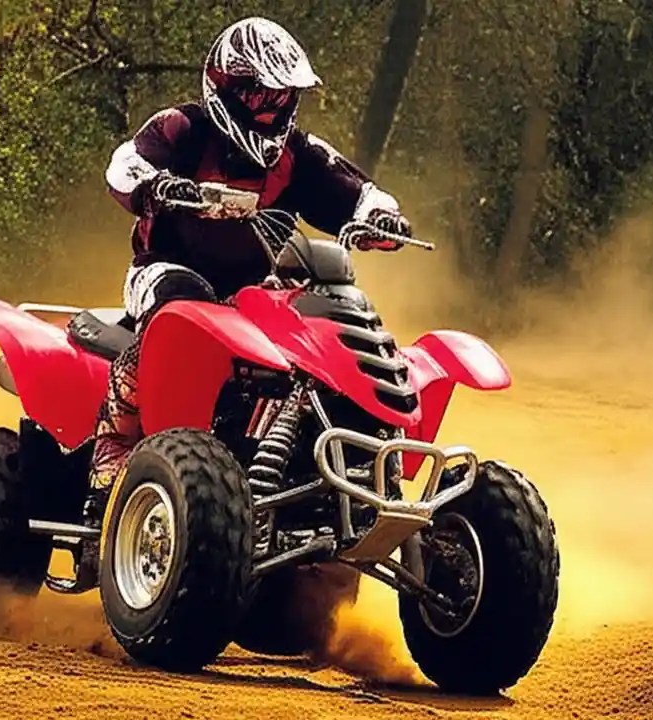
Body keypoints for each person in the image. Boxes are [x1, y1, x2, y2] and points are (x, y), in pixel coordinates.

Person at [75, 16, 412, 585]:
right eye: (257, 93)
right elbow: (123, 164)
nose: (268, 108)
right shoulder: (183, 128)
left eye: (280, 96)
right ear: (226, 86)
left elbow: (357, 190)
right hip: (166, 273)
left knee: (318, 329)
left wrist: (379, 216)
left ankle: (321, 468)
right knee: (180, 306)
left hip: (256, 293)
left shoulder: (299, 154)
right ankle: (110, 469)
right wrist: (159, 186)